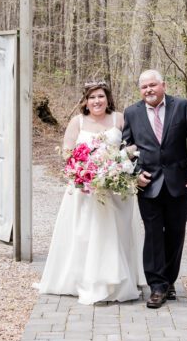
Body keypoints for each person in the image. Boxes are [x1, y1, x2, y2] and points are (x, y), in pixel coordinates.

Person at [36, 80, 145, 305]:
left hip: (114, 188)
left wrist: (117, 163)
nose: (97, 101)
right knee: (85, 234)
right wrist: (84, 169)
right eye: (92, 97)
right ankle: (84, 278)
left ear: (108, 99)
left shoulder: (119, 119)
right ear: (86, 101)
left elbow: (131, 147)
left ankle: (117, 282)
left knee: (115, 233)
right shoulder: (77, 122)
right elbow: (67, 154)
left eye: (101, 97)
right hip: (85, 189)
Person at [122, 69, 187, 309]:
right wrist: (135, 175)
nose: (148, 90)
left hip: (180, 183)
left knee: (176, 234)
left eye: (152, 85)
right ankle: (156, 286)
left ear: (163, 85)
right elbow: (125, 149)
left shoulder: (181, 106)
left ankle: (169, 281)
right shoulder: (132, 113)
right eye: (144, 86)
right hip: (148, 185)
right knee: (154, 234)